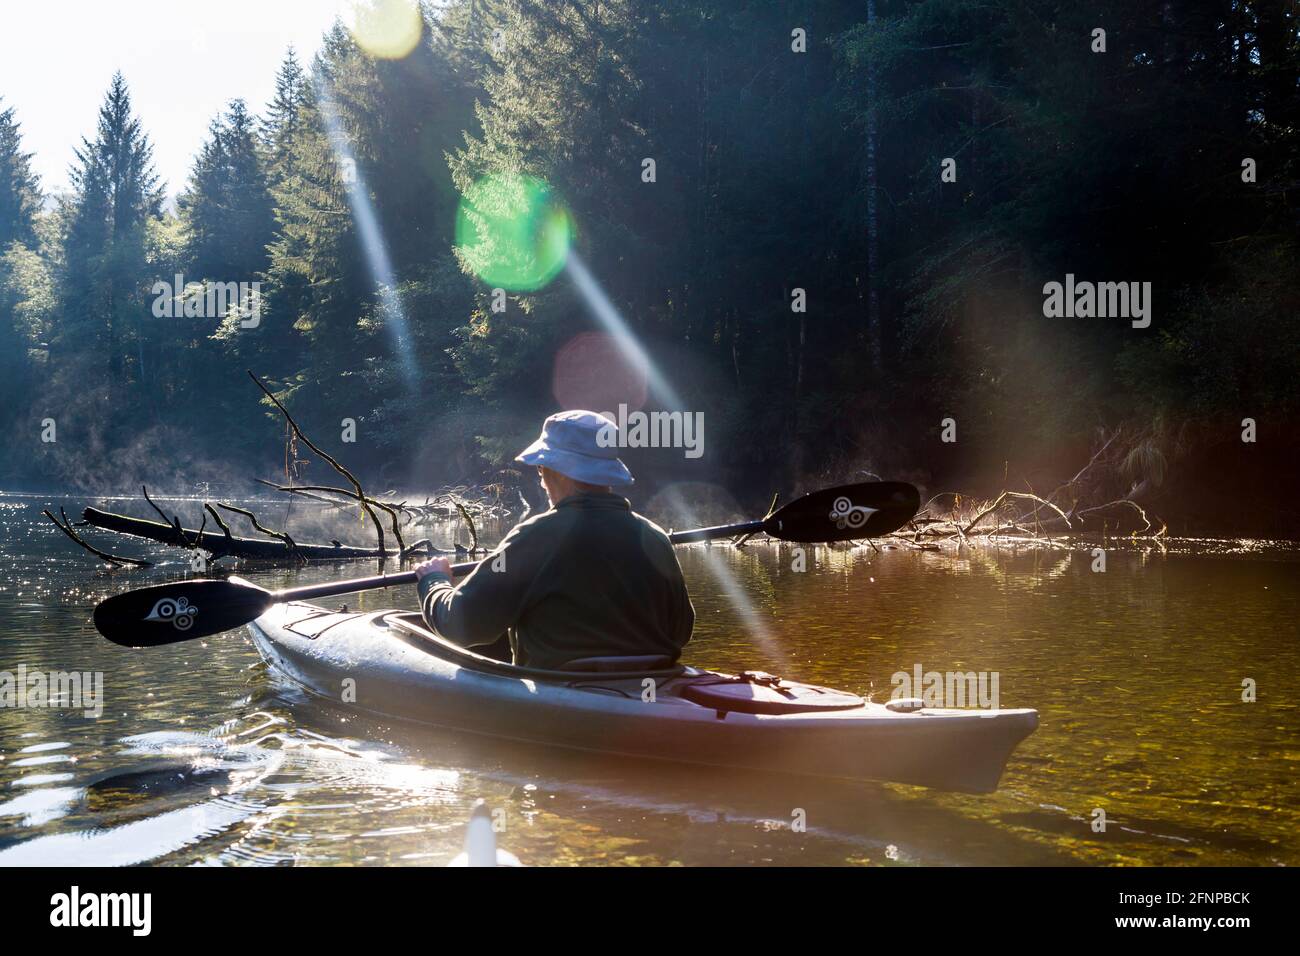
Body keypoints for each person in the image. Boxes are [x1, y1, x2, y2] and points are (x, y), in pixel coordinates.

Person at [412, 410, 695, 670]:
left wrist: (434, 581)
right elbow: (680, 631)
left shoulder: (535, 537)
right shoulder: (655, 537)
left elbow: (461, 625)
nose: (541, 480)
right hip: (652, 689)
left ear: (558, 471)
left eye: (541, 469)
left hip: (564, 696)